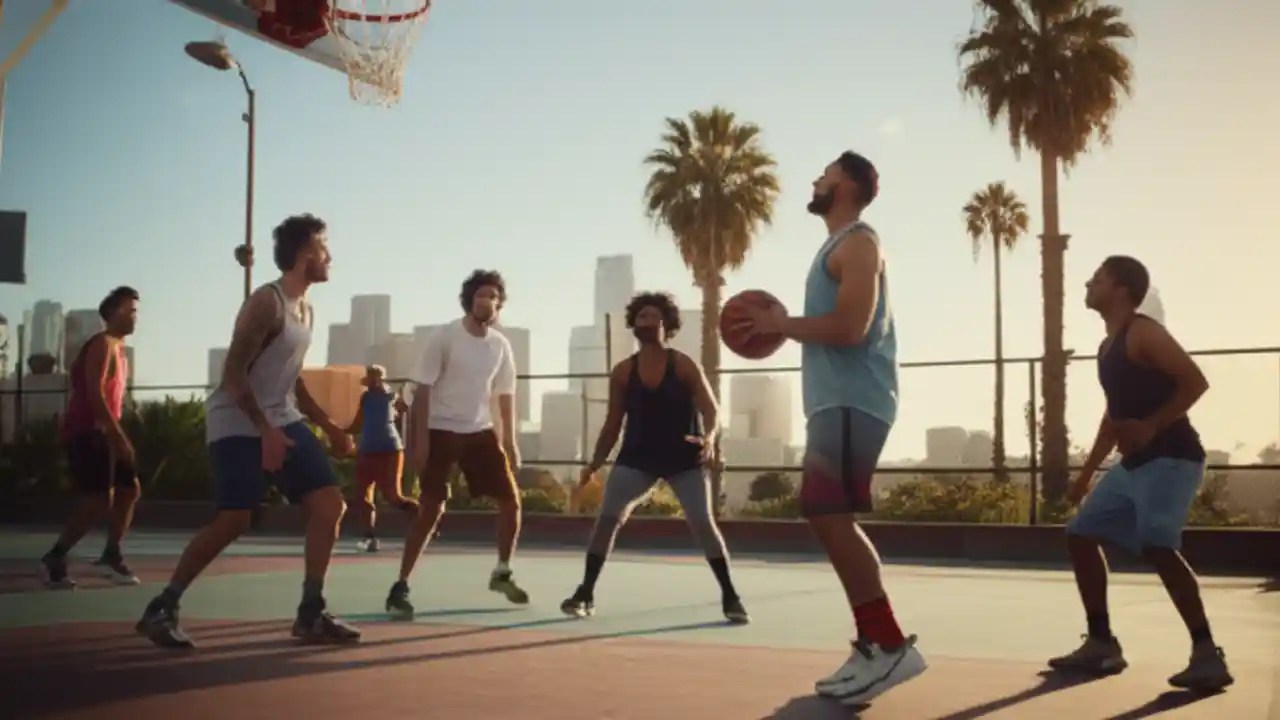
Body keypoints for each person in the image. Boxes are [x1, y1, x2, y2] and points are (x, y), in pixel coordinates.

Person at [736, 151, 925, 707]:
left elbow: (850, 326)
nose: (815, 178)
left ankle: (889, 645)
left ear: (845, 185)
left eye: (824, 172)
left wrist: (779, 325)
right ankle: (875, 643)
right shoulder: (834, 247)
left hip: (854, 400)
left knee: (827, 512)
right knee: (827, 515)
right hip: (833, 404)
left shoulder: (860, 243)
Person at [135, 213, 359, 649]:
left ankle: (310, 613)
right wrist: (264, 432)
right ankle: (162, 607)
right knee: (234, 519)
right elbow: (234, 373)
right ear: (302, 255)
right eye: (323, 248)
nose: (330, 256)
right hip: (236, 420)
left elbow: (291, 379)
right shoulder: (266, 303)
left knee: (330, 504)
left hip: (281, 417)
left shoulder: (306, 310)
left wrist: (330, 426)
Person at [1048, 256, 1233, 692]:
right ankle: (1101, 643)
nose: (1088, 283)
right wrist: (1086, 475)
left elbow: (1195, 382)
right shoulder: (1107, 346)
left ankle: (1207, 654)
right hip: (1131, 466)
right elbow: (1113, 419)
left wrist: (1152, 424)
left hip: (1173, 458)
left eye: (1097, 278)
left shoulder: (1144, 331)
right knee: (1080, 534)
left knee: (1158, 547)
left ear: (1121, 288)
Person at [560, 292, 749, 623]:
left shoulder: (683, 364)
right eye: (641, 317)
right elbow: (612, 423)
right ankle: (585, 593)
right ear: (633, 324)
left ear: (667, 325)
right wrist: (594, 464)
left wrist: (709, 437)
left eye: (653, 317)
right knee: (607, 519)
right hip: (637, 457)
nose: (646, 322)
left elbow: (710, 407)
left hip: (682, 457)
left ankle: (731, 597)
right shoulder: (622, 372)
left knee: (702, 523)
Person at [385, 270, 526, 619]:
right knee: (431, 509)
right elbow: (422, 391)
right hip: (440, 428)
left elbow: (505, 396)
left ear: (499, 304)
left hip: (479, 431)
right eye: (481, 295)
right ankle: (400, 586)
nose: (487, 301)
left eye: (493, 296)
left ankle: (502, 571)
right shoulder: (445, 336)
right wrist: (419, 443)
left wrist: (509, 442)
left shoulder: (500, 345)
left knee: (510, 501)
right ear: (469, 300)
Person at [40, 287, 142, 588]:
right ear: (112, 313)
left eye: (136, 311)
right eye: (130, 310)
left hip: (107, 432)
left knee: (129, 490)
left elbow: (112, 399)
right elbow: (95, 393)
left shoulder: (121, 353)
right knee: (99, 498)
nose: (136, 316)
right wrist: (117, 435)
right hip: (87, 431)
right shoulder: (101, 344)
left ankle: (112, 554)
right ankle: (54, 558)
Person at [348, 364, 418, 552]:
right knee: (362, 496)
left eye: (374, 377)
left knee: (393, 497)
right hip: (367, 451)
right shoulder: (365, 398)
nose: (371, 380)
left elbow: (399, 407)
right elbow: (357, 424)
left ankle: (423, 515)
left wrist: (401, 402)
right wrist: (338, 433)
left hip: (389, 450)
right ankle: (369, 538)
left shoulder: (390, 396)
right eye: (369, 377)